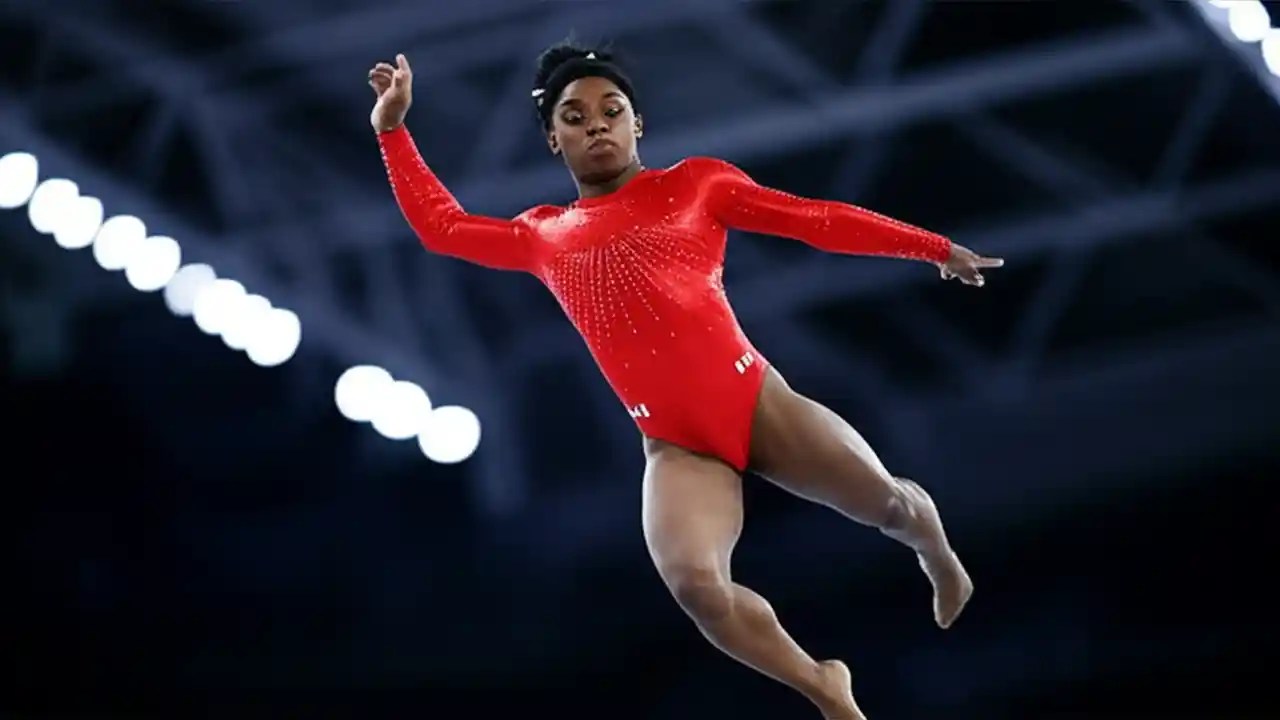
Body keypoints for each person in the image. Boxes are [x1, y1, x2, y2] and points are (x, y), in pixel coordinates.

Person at [367, 43, 999, 719]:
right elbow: (443, 228)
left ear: (639, 122)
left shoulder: (697, 185)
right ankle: (824, 687)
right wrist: (392, 129)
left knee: (889, 507)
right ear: (554, 138)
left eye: (612, 111)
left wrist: (931, 247)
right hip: (675, 443)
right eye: (575, 118)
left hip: (756, 400)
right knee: (697, 585)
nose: (597, 126)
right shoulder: (543, 234)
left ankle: (936, 552)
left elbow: (815, 220)